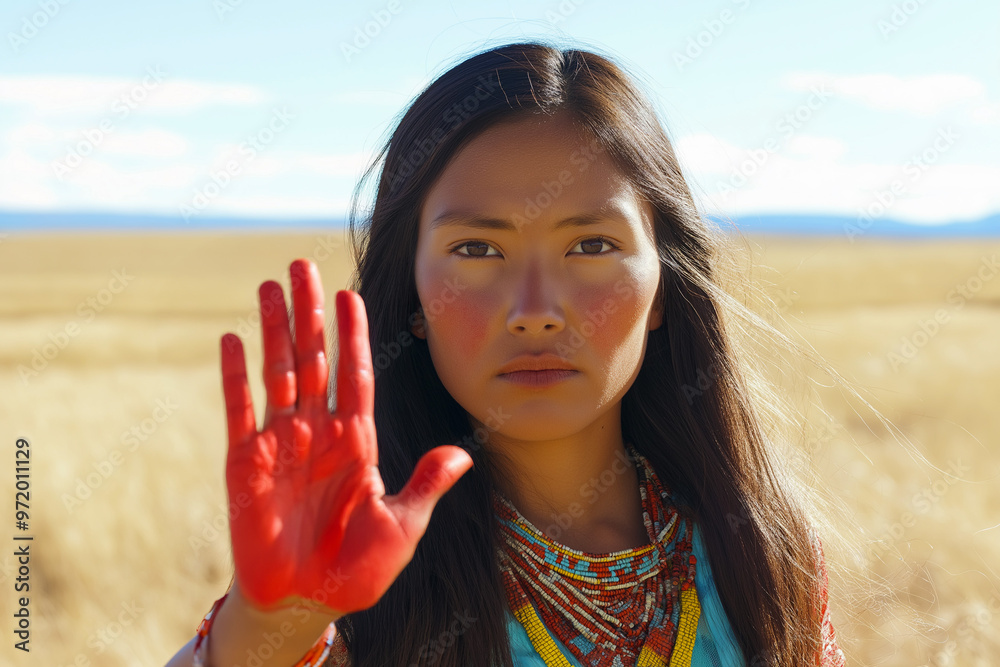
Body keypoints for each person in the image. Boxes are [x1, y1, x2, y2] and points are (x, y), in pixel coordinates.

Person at [166, 40, 847, 666]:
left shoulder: (755, 547)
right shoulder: (359, 563)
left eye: (590, 246)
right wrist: (276, 619)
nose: (534, 312)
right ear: (412, 298)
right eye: (476, 250)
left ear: (664, 284)